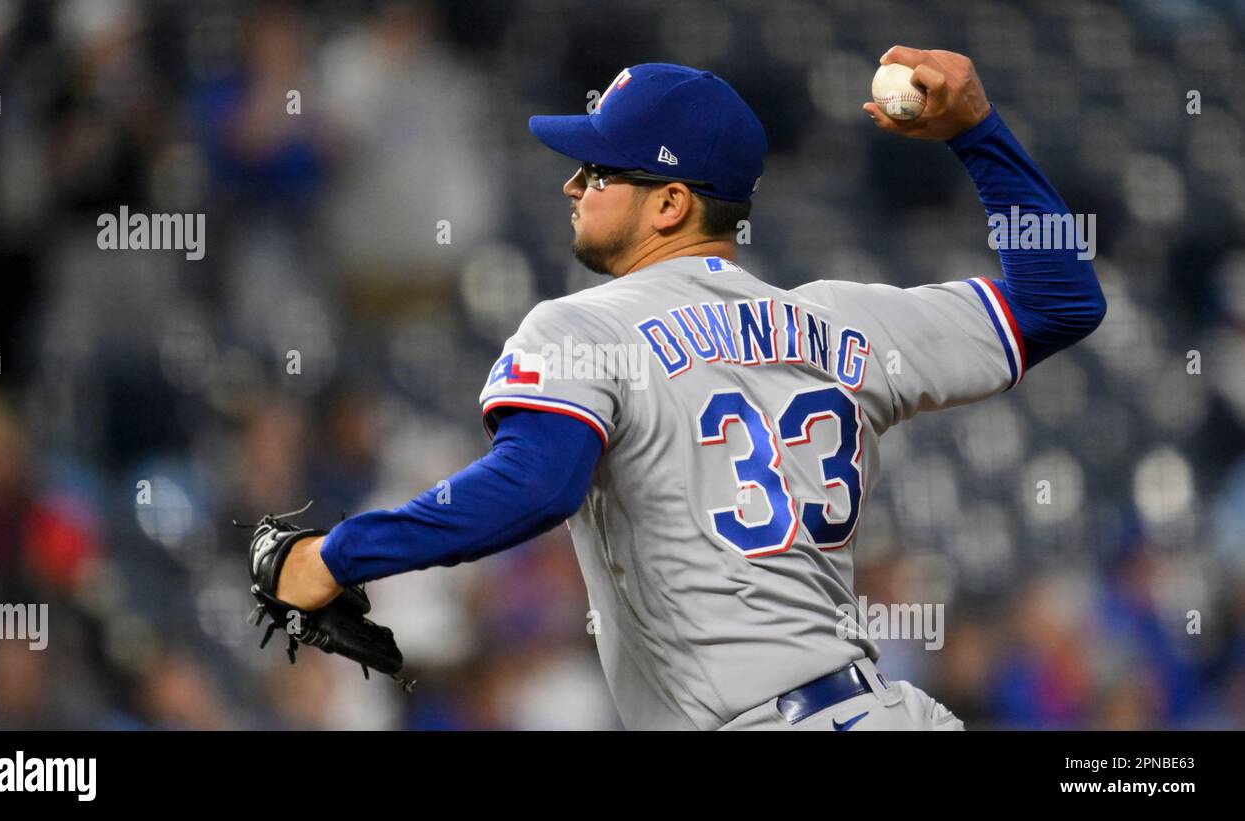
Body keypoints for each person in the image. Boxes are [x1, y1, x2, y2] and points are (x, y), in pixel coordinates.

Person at [268, 48, 1106, 730]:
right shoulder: (846, 322)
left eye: (597, 169)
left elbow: (536, 485)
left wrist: (334, 554)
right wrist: (979, 133)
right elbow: (1060, 299)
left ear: (669, 202)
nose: (571, 185)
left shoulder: (583, 327)